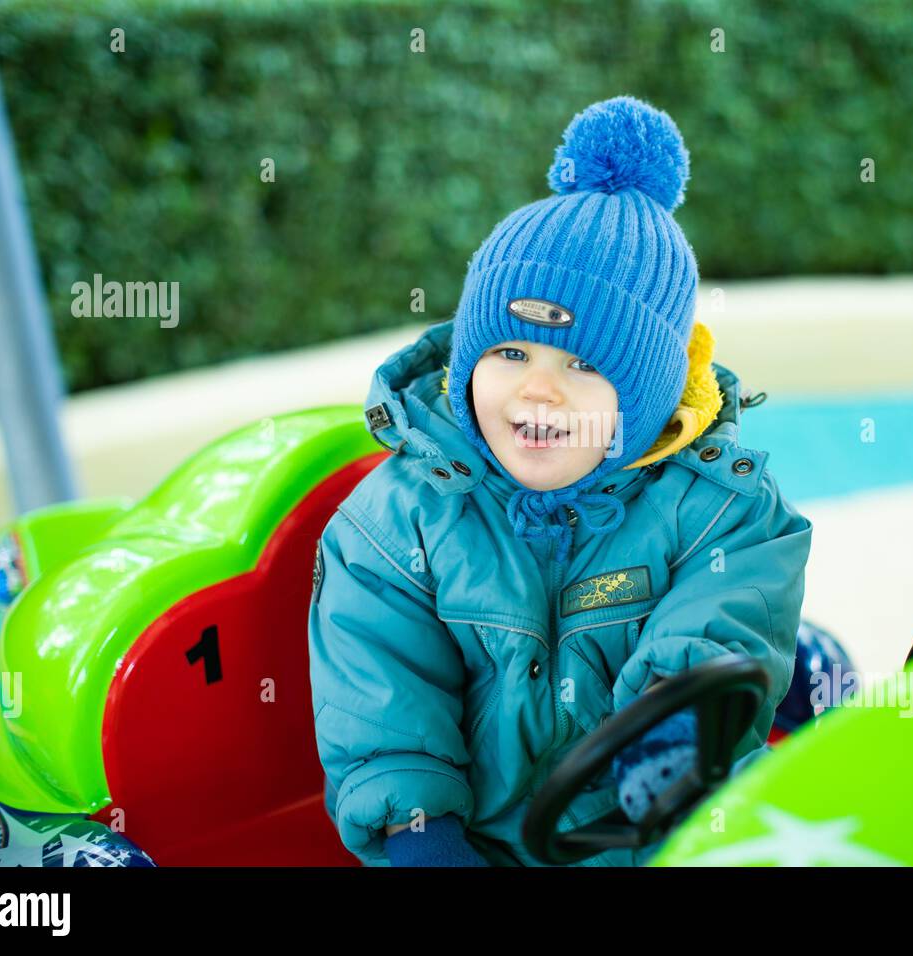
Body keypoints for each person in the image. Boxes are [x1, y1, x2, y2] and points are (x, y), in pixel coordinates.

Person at [307, 95, 812, 866]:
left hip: (669, 825)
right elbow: (380, 702)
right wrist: (421, 836)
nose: (537, 391)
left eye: (581, 364)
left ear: (646, 398)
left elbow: (723, 619)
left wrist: (675, 737)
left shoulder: (719, 512)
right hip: (480, 849)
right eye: (510, 354)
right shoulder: (395, 524)